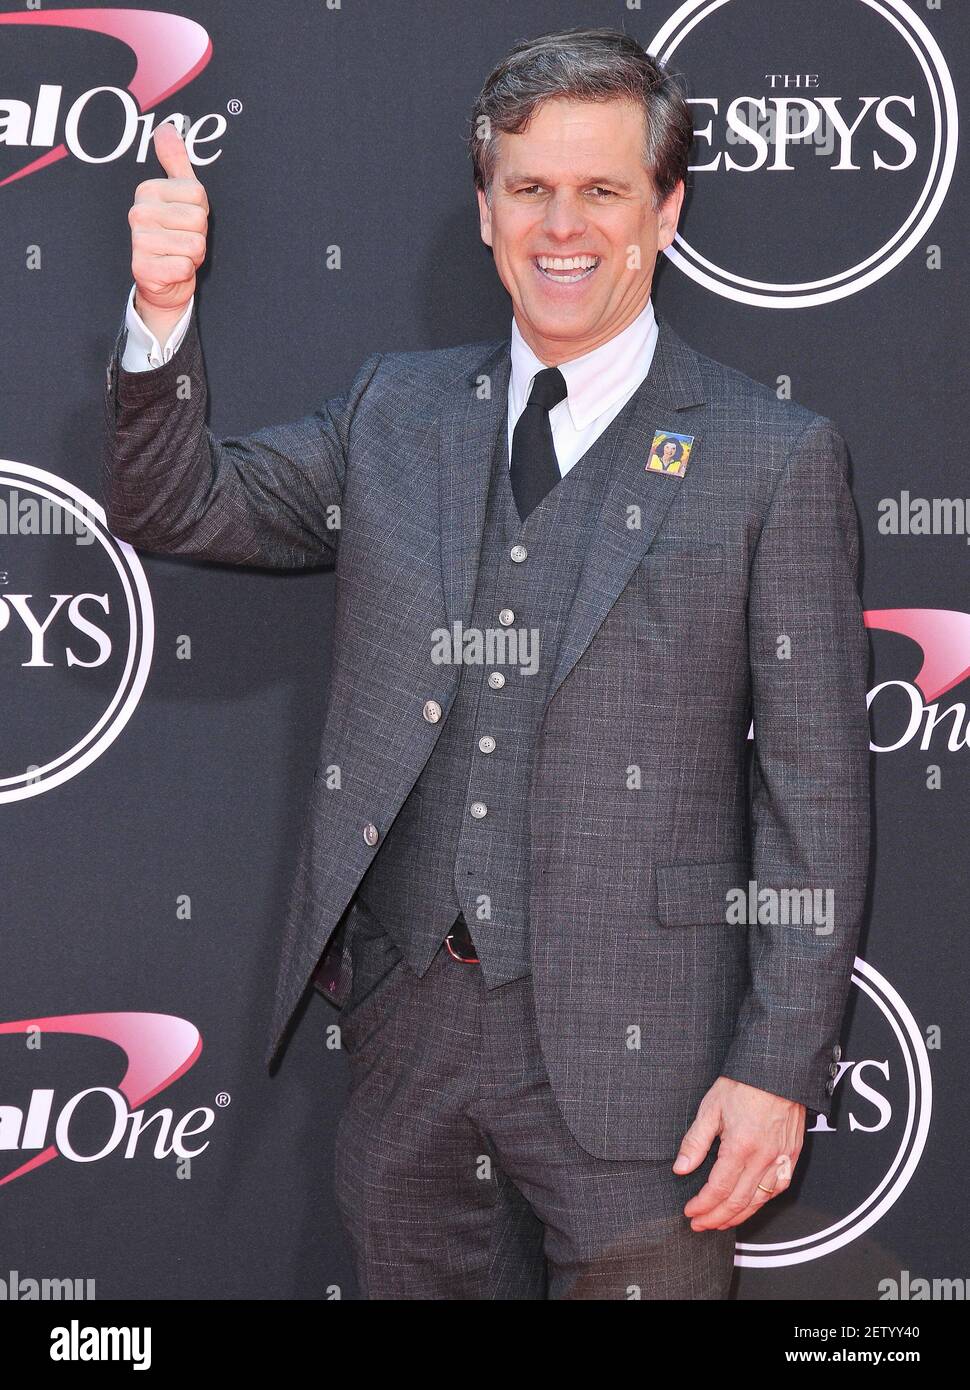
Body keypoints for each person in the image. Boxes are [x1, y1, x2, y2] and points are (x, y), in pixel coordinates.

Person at [101, 27, 871, 1299]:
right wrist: (161, 315)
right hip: (411, 1035)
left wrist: (778, 1066)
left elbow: (820, 799)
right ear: (484, 210)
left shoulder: (771, 455)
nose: (559, 226)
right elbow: (186, 504)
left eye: (601, 189)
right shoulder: (393, 413)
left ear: (665, 211)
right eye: (528, 188)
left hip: (653, 1072)